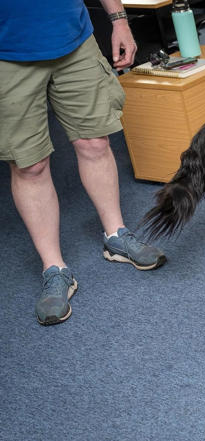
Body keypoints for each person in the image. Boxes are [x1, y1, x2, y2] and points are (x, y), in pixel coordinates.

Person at [0, 0, 166, 326]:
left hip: (74, 39)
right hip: (9, 55)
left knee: (95, 142)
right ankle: (54, 269)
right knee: (29, 165)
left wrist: (119, 20)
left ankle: (116, 236)